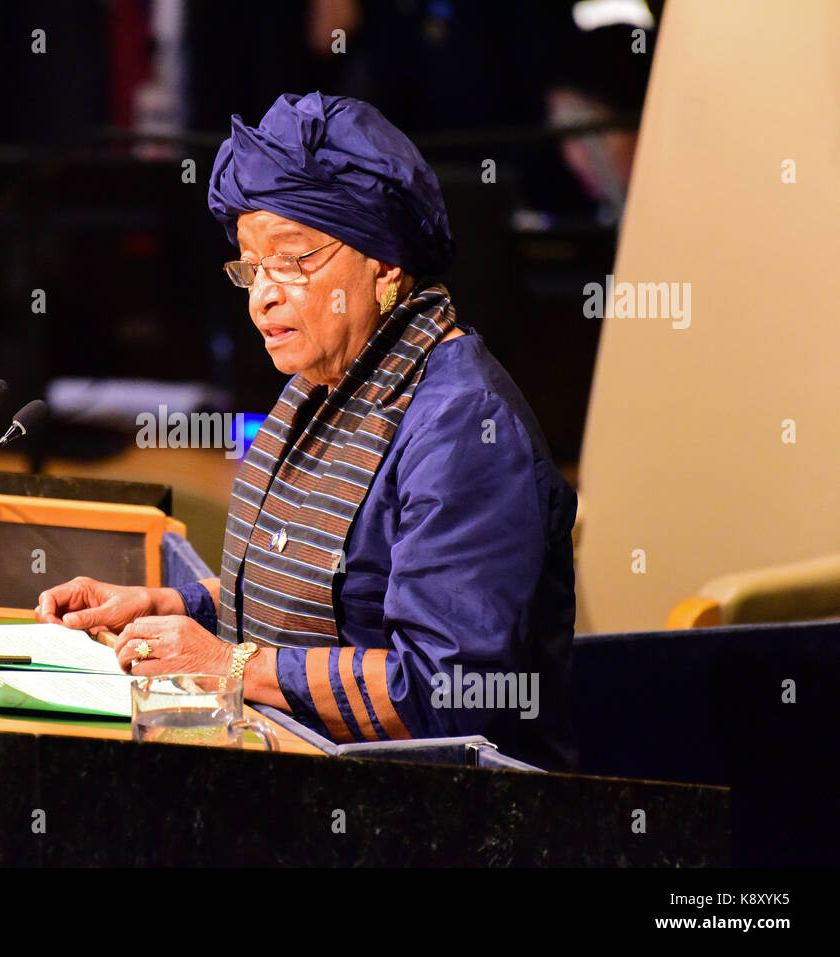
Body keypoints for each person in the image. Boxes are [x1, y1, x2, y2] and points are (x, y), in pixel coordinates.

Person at [36, 92, 578, 771]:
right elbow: (325, 600)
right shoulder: (318, 382)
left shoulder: (464, 425)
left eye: (294, 260)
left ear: (384, 263)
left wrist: (230, 664)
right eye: (252, 267)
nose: (264, 294)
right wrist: (170, 609)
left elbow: (445, 692)